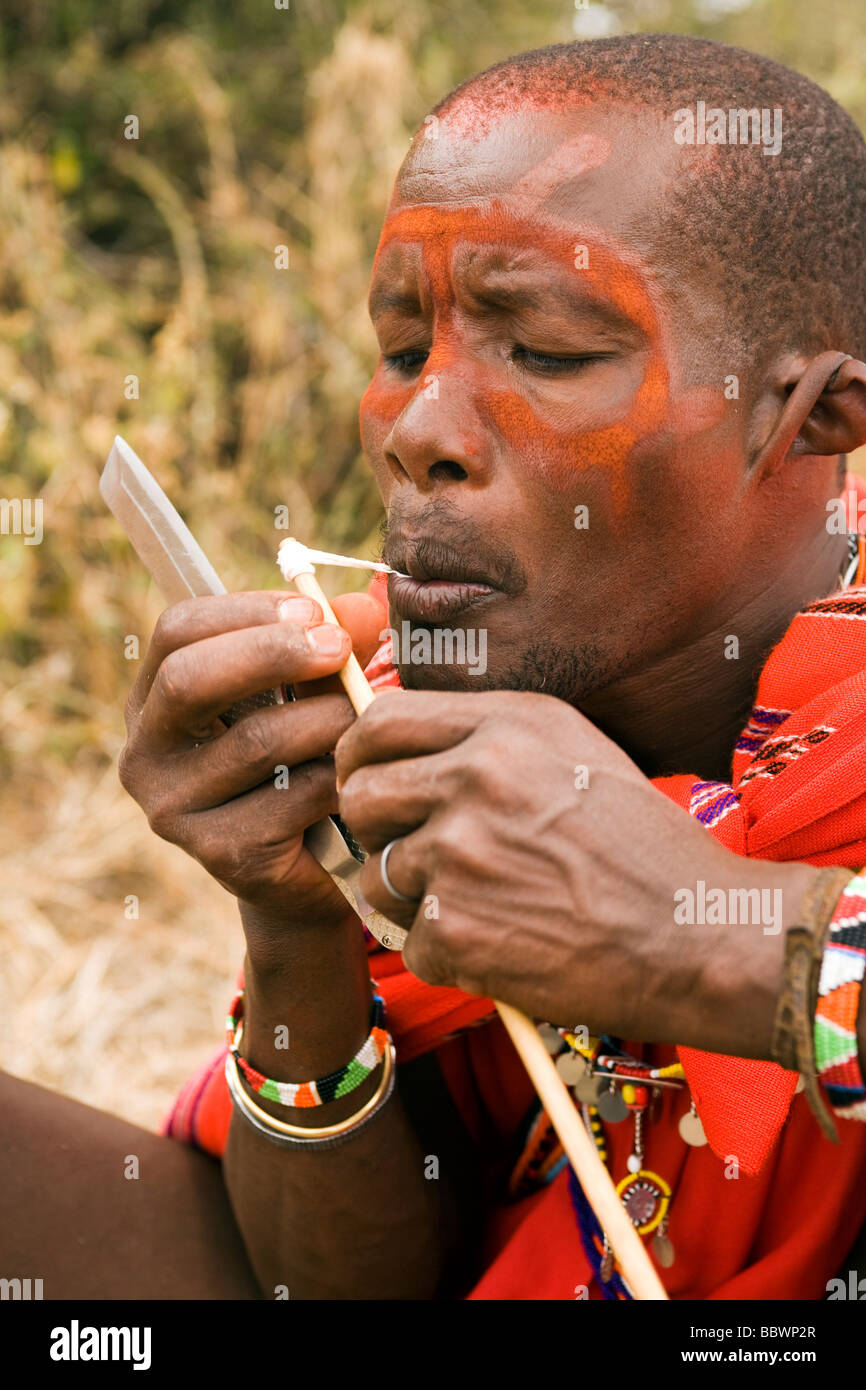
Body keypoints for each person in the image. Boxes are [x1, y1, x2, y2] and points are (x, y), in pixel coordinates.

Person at [3, 33, 866, 1301]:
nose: (416, 432)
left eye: (549, 352)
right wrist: (300, 924)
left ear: (815, 416)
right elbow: (332, 1288)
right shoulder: (431, 760)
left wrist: (724, 945)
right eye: (405, 349)